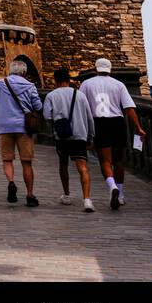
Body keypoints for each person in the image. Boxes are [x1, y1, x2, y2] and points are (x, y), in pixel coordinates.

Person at [79, 58, 147, 210]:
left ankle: (112, 187)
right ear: (110, 69)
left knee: (105, 161)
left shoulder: (86, 84)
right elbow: (129, 107)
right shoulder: (119, 85)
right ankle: (121, 194)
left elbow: (81, 106)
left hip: (99, 123)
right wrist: (138, 127)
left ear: (96, 68)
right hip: (117, 122)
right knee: (119, 161)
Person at [0, 59, 42, 206]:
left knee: (7, 159)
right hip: (24, 127)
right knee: (26, 162)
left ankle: (11, 182)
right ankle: (30, 195)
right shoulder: (30, 86)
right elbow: (38, 105)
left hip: (4, 127)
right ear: (24, 72)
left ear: (10, 71)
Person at [42, 67, 95, 212]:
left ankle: (66, 195)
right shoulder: (80, 95)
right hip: (79, 135)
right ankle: (87, 200)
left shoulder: (51, 96)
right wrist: (90, 136)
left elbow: (47, 116)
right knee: (82, 167)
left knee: (63, 163)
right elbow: (89, 118)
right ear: (68, 80)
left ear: (56, 80)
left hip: (62, 135)